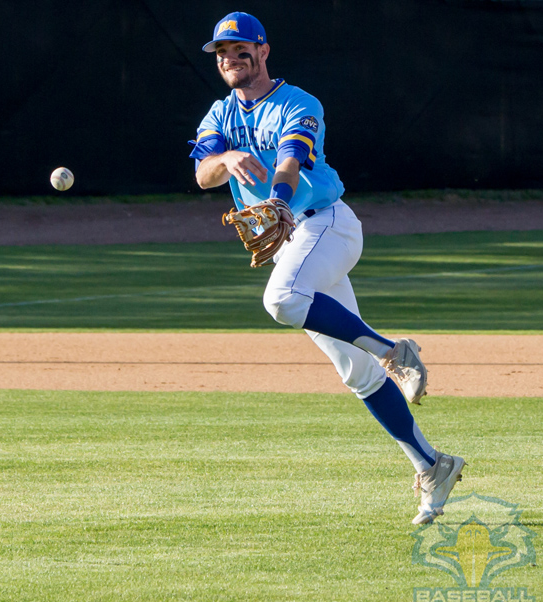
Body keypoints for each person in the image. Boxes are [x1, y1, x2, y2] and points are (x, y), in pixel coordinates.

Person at [189, 13, 464, 525]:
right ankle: (432, 465)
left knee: (281, 300)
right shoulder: (219, 115)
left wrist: (276, 201)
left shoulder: (299, 103)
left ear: (264, 51)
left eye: (240, 48)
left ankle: (395, 351)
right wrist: (225, 159)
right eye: (221, 51)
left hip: (326, 226)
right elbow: (202, 173)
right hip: (290, 243)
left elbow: (292, 159)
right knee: (357, 375)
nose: (229, 57)